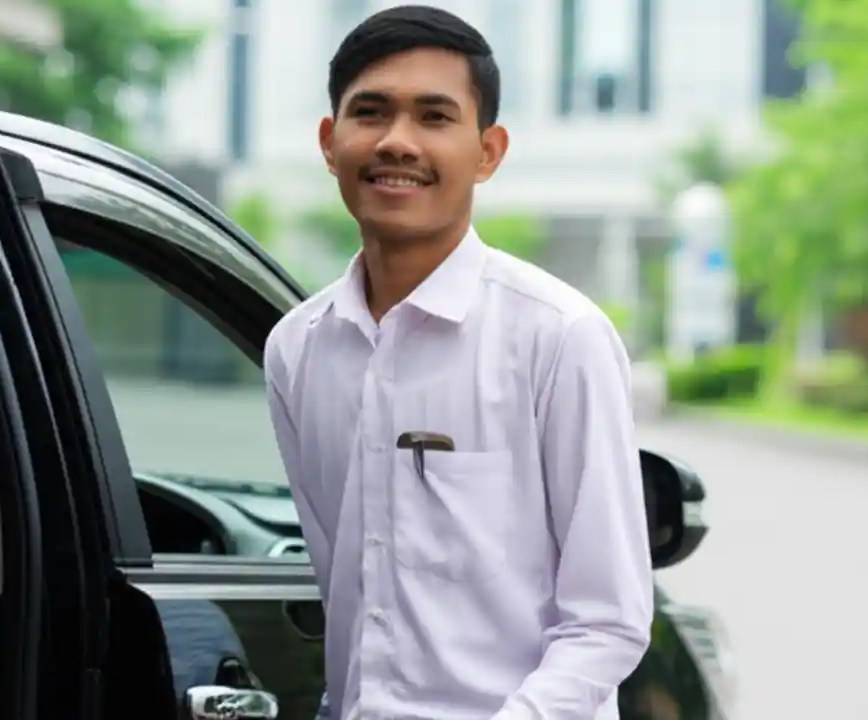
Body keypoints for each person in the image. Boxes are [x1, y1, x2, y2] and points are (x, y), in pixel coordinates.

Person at [263, 5, 653, 718]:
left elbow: (607, 622)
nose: (397, 142)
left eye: (434, 117)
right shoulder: (298, 346)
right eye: (370, 112)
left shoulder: (559, 337)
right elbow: (343, 591)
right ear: (329, 141)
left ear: (488, 152)